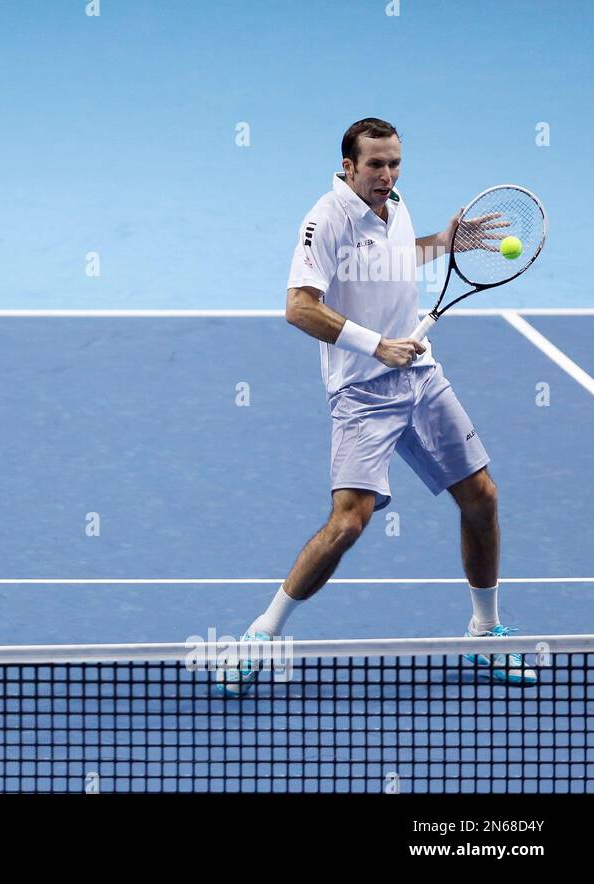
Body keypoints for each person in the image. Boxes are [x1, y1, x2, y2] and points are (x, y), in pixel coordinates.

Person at [215, 118, 535, 697]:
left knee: (482, 497)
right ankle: (260, 637)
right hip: (364, 390)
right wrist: (376, 345)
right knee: (349, 523)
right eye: (375, 166)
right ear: (347, 167)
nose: (386, 176)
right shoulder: (326, 218)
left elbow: (391, 260)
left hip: (420, 376)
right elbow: (298, 307)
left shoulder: (394, 205)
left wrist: (443, 243)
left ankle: (484, 631)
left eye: (394, 165)